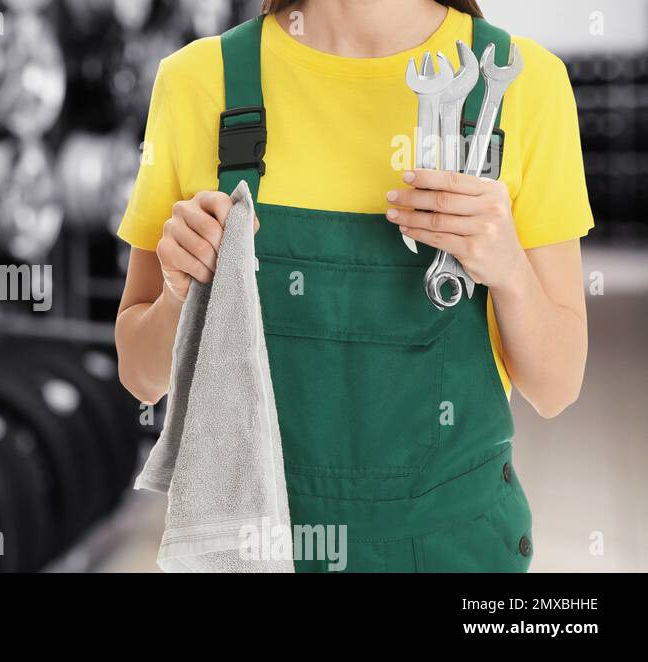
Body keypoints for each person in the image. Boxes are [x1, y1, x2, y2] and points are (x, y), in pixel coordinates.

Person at [114, 0, 592, 571]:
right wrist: (179, 294)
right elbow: (139, 375)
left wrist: (508, 267)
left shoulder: (527, 84)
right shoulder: (197, 81)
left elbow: (557, 384)